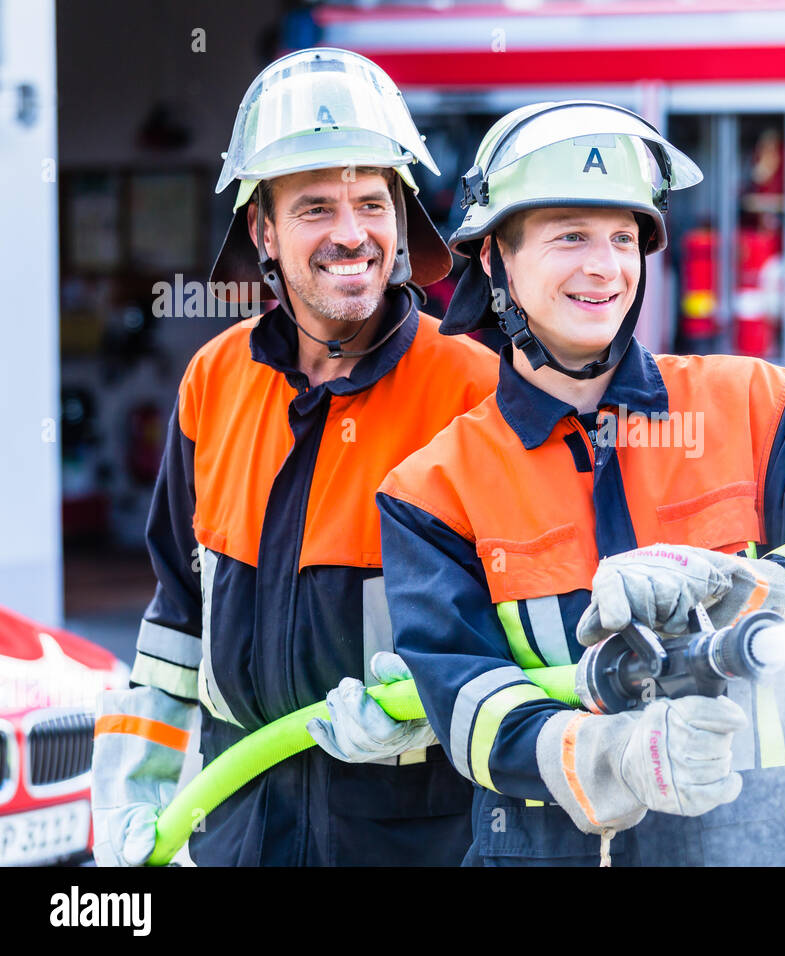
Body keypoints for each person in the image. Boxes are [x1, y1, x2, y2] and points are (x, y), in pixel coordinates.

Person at [376, 101, 785, 866]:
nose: (605, 267)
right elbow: (467, 703)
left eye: (624, 238)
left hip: (767, 842)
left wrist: (735, 584)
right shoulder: (434, 488)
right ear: (494, 260)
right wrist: (612, 756)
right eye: (569, 236)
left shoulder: (757, 405)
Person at [90, 48, 498, 866]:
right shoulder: (214, 379)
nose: (352, 235)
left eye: (372, 203)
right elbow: (176, 619)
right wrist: (137, 788)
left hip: (418, 840)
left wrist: (433, 701)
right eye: (315, 206)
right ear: (262, 229)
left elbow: (524, 637)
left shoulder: (476, 394)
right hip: (237, 829)